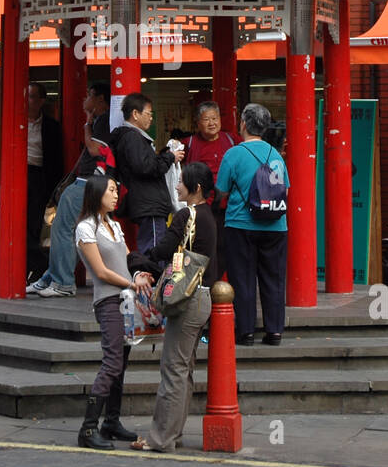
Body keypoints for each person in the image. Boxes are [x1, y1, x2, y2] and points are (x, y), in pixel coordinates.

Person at [130, 162, 217, 453]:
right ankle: (172, 435)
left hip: (186, 300)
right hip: (202, 297)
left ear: (197, 188)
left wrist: (139, 260)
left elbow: (164, 250)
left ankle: (161, 439)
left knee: (172, 369)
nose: (177, 187)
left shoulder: (186, 215)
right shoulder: (209, 217)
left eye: (181, 182)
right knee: (183, 369)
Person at [74, 175, 155, 450]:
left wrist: (139, 272)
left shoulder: (115, 225)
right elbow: (101, 272)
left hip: (127, 302)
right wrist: (132, 282)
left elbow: (128, 260)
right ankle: (87, 430)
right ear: (97, 193)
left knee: (121, 364)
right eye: (111, 190)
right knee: (112, 362)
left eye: (116, 190)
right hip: (108, 302)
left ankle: (111, 422)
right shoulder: (86, 228)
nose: (116, 194)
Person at [28, 82, 112, 298]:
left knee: (62, 230)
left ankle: (63, 282)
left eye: (89, 94)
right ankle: (50, 277)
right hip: (90, 183)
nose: (85, 98)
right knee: (70, 232)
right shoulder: (101, 121)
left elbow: (94, 149)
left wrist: (86, 125)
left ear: (100, 99)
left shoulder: (103, 122)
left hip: (87, 182)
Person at [215, 103, 289, 346]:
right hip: (276, 226)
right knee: (274, 279)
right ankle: (274, 331)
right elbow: (285, 190)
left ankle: (245, 331)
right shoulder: (275, 154)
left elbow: (221, 190)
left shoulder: (234, 154)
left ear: (243, 124)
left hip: (241, 224)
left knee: (243, 278)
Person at [108, 92, 182, 256]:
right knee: (154, 250)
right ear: (135, 114)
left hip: (147, 203)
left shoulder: (130, 137)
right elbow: (146, 167)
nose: (151, 118)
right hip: (149, 205)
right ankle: (152, 280)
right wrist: (169, 156)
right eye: (149, 114)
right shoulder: (132, 138)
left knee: (154, 246)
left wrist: (165, 154)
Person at [184, 101, 238, 279]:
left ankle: (215, 282)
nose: (212, 123)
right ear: (198, 122)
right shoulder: (189, 143)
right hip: (202, 208)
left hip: (228, 207)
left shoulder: (232, 140)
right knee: (204, 247)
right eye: (206, 119)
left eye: (215, 118)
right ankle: (203, 283)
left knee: (224, 247)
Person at [26, 83, 64, 281]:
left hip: (40, 177)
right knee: (16, 226)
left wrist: (55, 189)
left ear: (41, 101)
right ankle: (38, 264)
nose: (27, 100)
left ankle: (36, 265)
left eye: (31, 96)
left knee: (34, 224)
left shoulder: (51, 126)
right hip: (19, 175)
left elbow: (57, 158)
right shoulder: (15, 121)